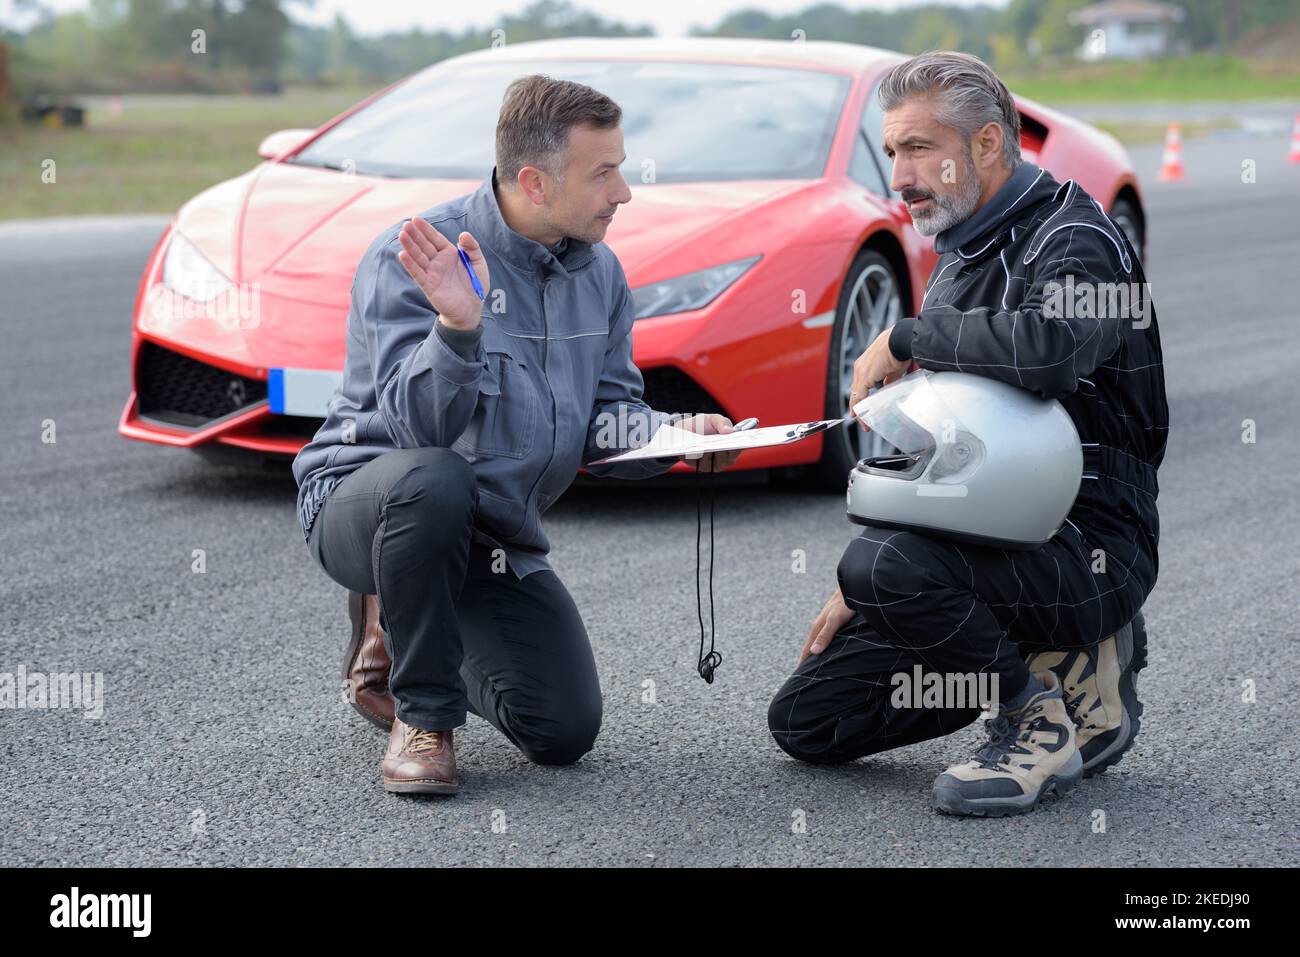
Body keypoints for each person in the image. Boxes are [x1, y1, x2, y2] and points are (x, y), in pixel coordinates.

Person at [292, 74, 739, 796]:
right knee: (434, 480)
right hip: (366, 501)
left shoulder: (602, 273)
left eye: (621, 167)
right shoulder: (415, 257)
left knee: (561, 730)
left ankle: (409, 623)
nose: (623, 191)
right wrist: (457, 329)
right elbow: (416, 431)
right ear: (534, 181)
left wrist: (675, 434)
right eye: (605, 173)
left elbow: (605, 423)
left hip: (489, 533)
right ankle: (423, 716)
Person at [767, 51, 1169, 817]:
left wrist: (908, 337)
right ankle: (1063, 670)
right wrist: (879, 585)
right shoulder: (964, 252)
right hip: (990, 540)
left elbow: (1052, 348)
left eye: (919, 148)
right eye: (891, 152)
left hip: (1089, 542)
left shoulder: (1078, 237)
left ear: (986, 144)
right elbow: (945, 442)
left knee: (881, 563)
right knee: (809, 719)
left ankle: (1037, 716)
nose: (901, 175)